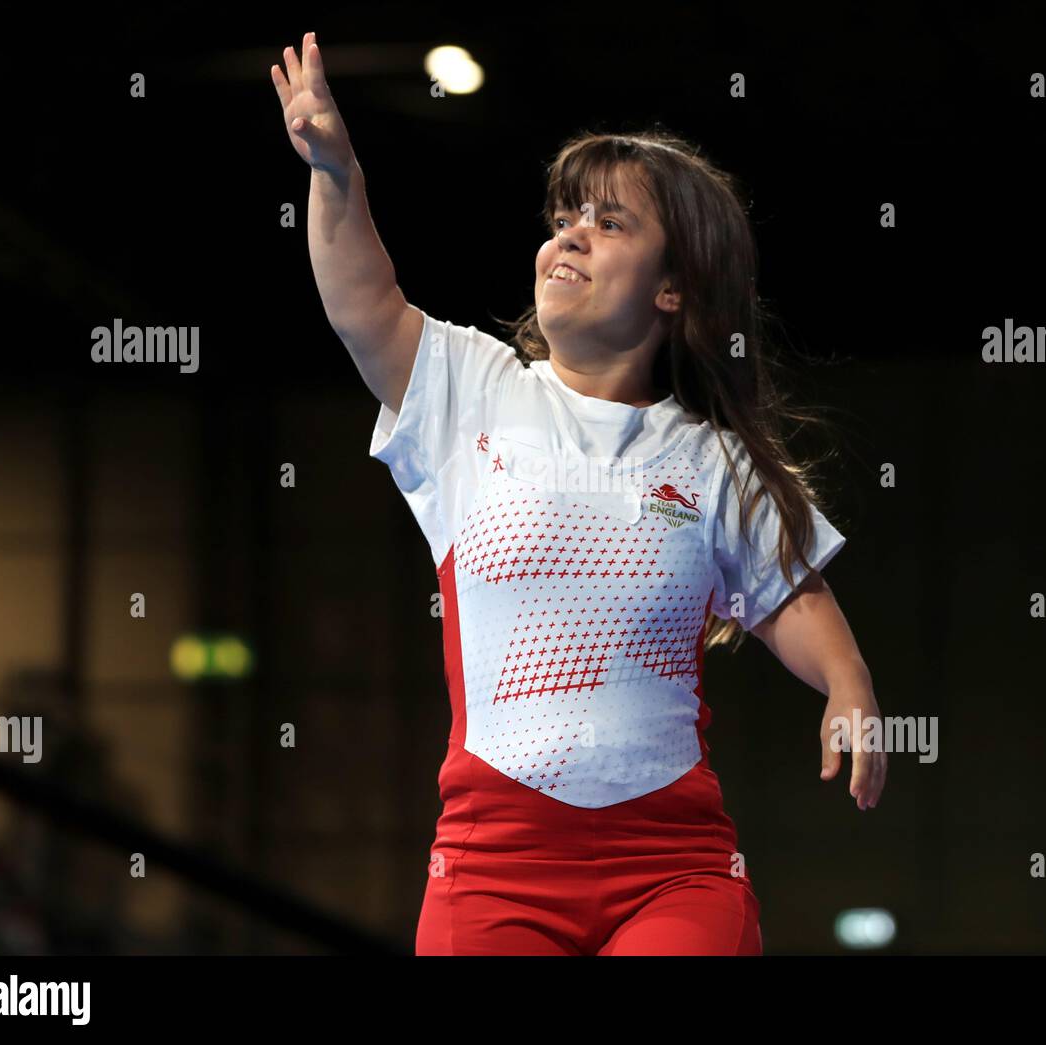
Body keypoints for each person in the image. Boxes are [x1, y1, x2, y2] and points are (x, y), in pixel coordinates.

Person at [273, 32, 886, 955]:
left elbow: (790, 592)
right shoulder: (470, 394)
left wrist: (849, 685)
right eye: (565, 217)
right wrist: (335, 172)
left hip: (672, 867)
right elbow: (363, 305)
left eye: (610, 223)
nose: (571, 234)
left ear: (673, 287)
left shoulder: (713, 458)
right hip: (491, 869)